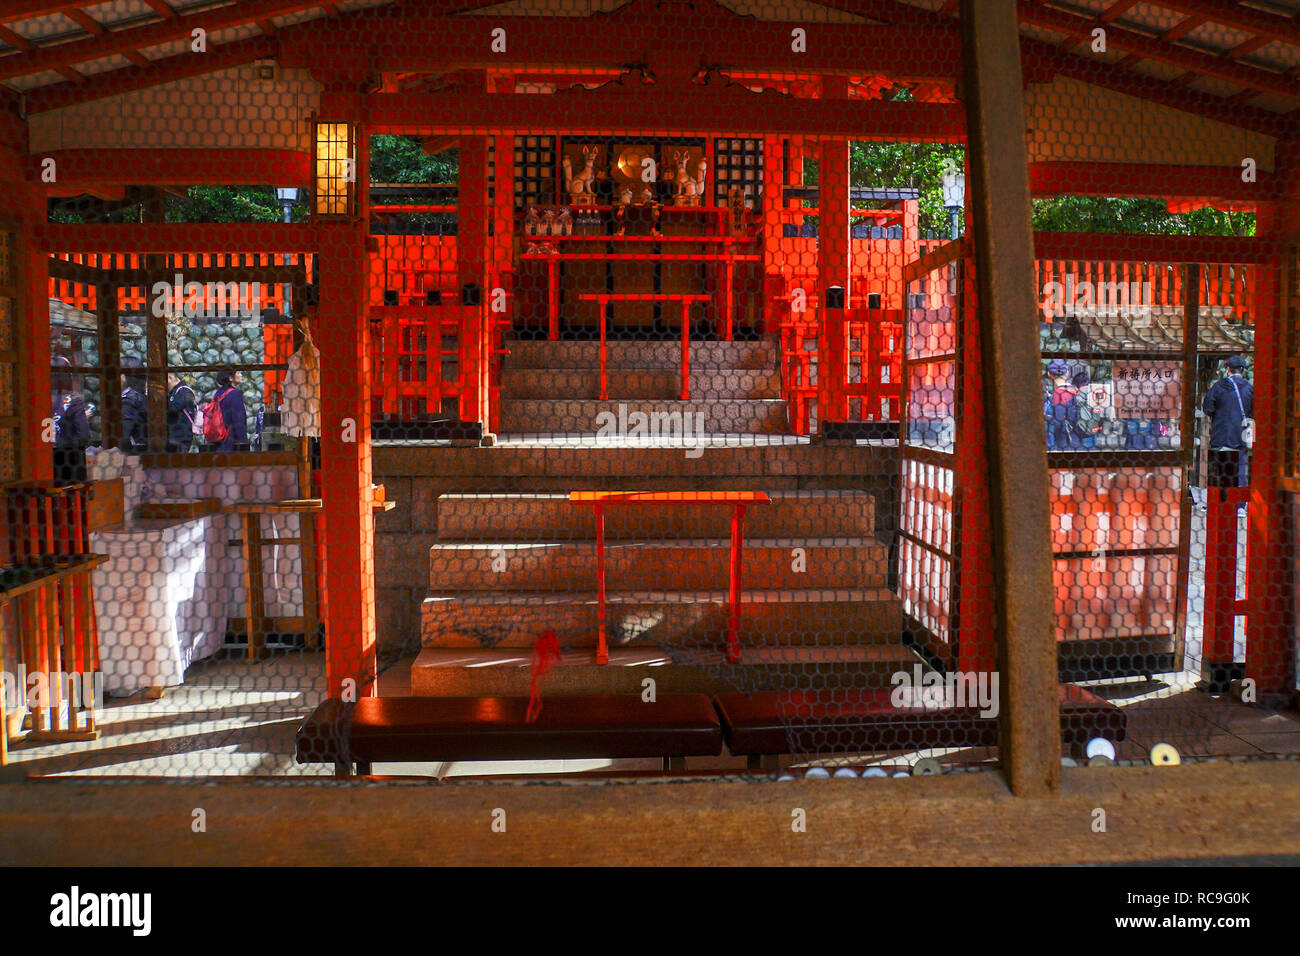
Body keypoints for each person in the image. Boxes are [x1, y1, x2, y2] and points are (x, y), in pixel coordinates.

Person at [1202, 354, 1253, 489]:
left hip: (1221, 436)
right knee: (1241, 470)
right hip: (1241, 436)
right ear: (1242, 370)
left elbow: (1207, 407)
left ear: (1227, 369)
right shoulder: (1249, 389)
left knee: (1221, 472)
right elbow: (1254, 412)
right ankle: (1240, 505)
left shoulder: (1219, 387)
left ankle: (1222, 502)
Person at [1045, 358, 1080, 451]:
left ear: (1049, 374)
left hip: (1065, 442)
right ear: (1067, 373)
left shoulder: (1057, 395)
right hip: (1081, 440)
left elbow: (1058, 423)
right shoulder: (1077, 391)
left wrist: (1046, 417)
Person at [210, 370, 248, 453]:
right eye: (238, 373)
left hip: (218, 436)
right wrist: (243, 441)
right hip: (231, 438)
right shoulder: (235, 394)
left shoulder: (218, 393)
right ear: (231, 378)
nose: (241, 375)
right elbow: (239, 419)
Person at [166, 373, 199, 453]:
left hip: (181, 435)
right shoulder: (175, 392)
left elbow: (174, 408)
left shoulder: (184, 391)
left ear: (170, 378)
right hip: (175, 435)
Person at [120, 361, 148, 454]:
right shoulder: (137, 396)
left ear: (123, 377)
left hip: (135, 452)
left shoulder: (129, 400)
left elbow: (124, 432)